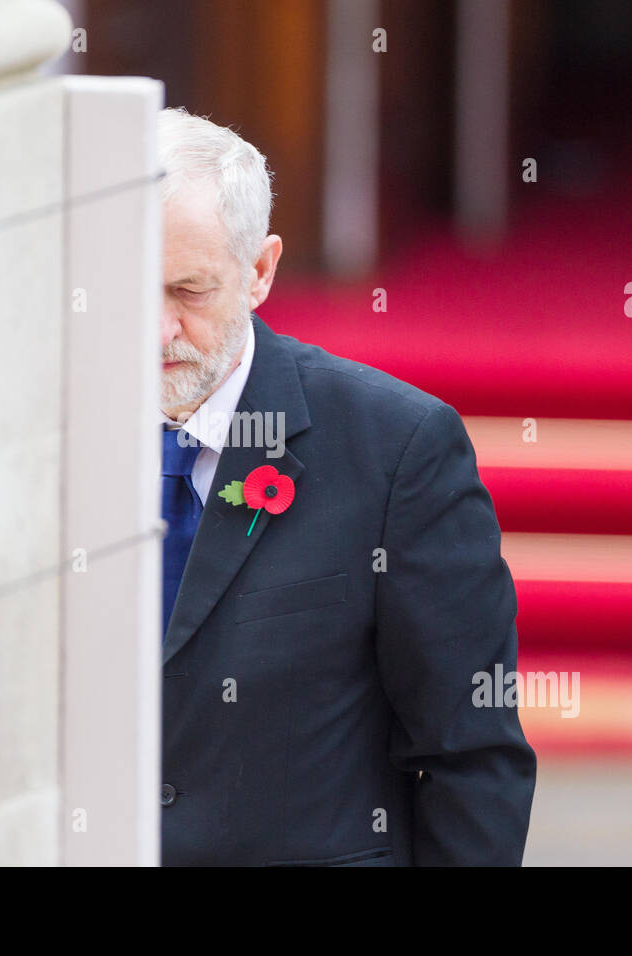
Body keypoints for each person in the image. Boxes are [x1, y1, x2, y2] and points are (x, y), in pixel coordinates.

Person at [157, 107, 535, 866]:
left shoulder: (398, 451)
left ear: (261, 271)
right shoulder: (34, 437)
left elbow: (471, 756)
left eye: (189, 293)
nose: (155, 331)